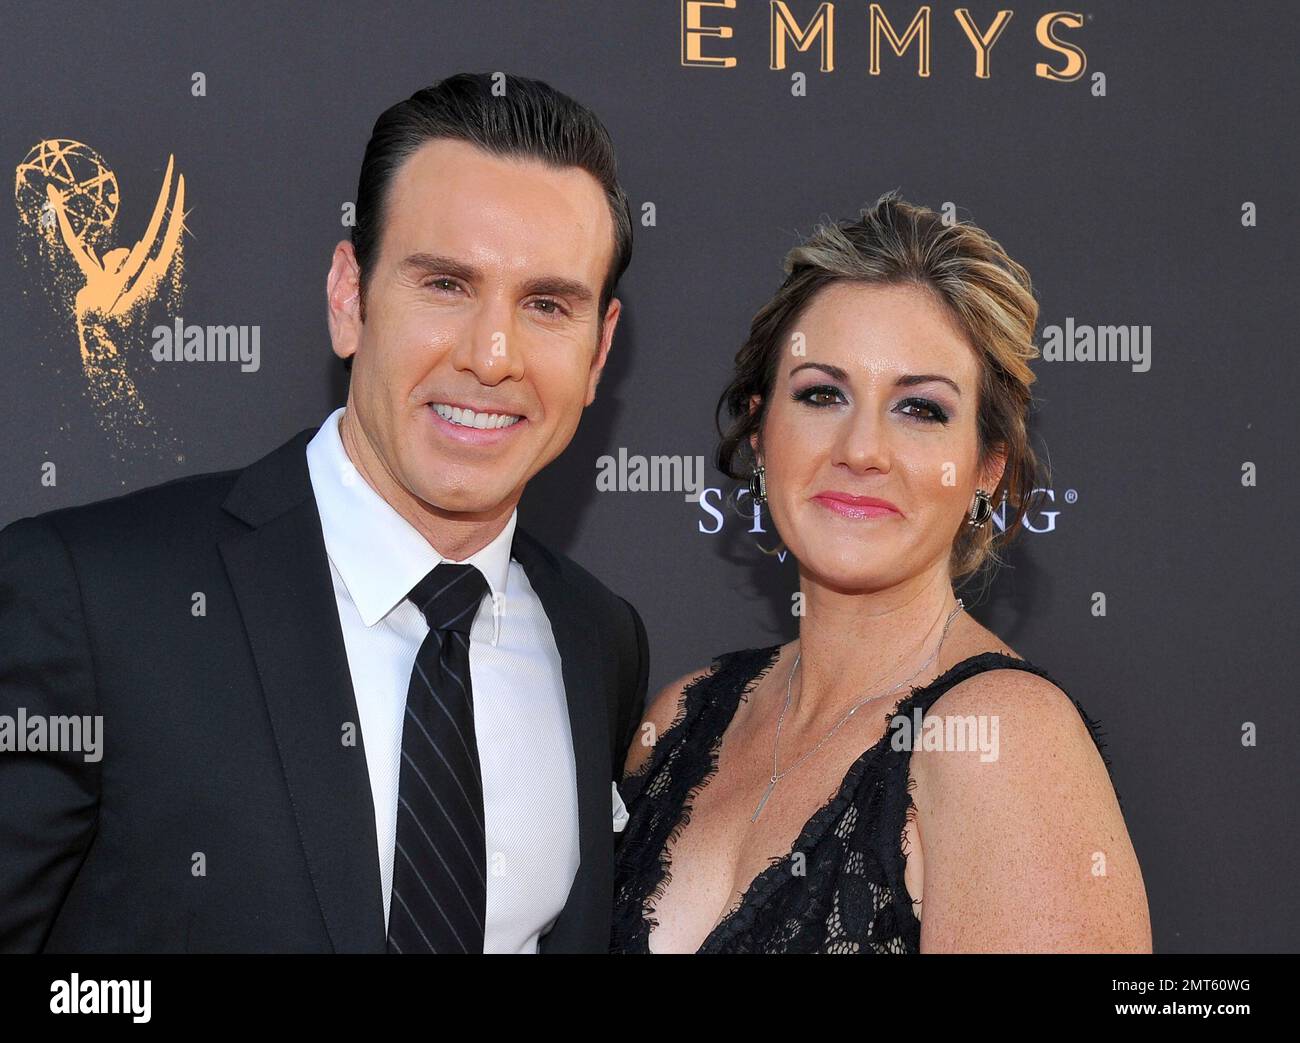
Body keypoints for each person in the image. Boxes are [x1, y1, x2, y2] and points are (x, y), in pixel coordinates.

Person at [0, 72, 647, 954]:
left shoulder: (598, 639)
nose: (493, 356)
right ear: (350, 297)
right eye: (446, 285)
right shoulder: (92, 599)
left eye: (546, 305)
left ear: (599, 349)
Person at [611, 191, 1151, 953]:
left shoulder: (999, 740)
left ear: (985, 470)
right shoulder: (675, 722)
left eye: (921, 409)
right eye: (822, 394)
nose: (862, 448)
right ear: (762, 437)